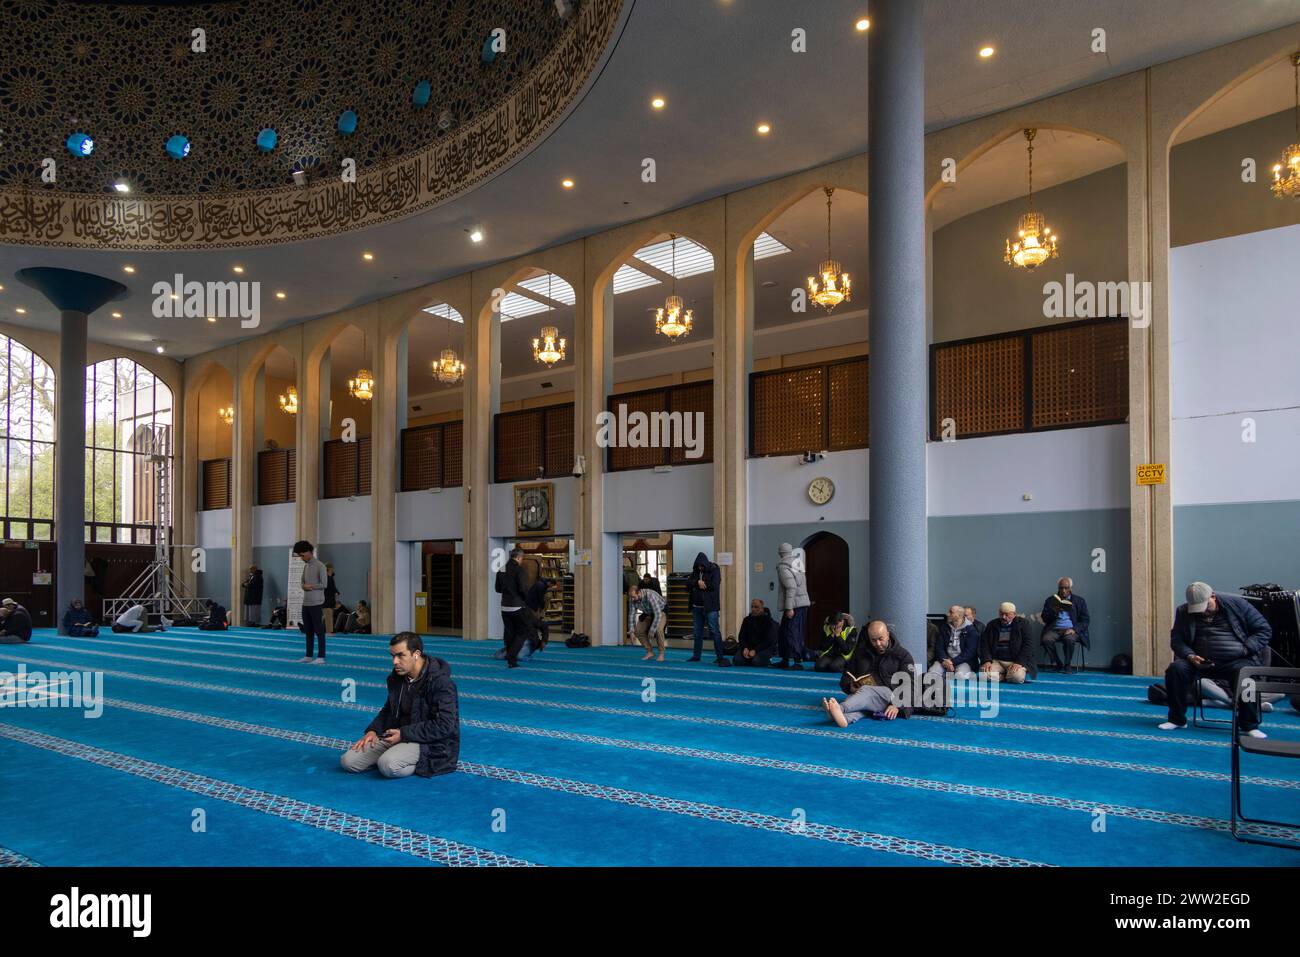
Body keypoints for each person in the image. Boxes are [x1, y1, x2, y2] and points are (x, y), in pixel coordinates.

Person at [1159, 581, 1271, 738]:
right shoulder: (1184, 611)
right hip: (1200, 662)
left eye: (1205, 606)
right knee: (1175, 669)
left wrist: (1246, 648)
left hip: (1235, 661)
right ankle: (1177, 719)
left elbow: (1264, 630)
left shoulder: (1238, 605)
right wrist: (1190, 655)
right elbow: (1177, 640)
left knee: (1246, 675)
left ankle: (1249, 725)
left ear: (1213, 596)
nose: (1202, 611)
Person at [341, 632, 460, 779]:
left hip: (428, 743)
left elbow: (444, 725)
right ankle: (396, 755)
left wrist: (404, 734)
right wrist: (373, 730)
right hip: (397, 735)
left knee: (387, 765)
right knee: (349, 762)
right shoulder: (397, 678)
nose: (395, 662)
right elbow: (389, 709)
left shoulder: (441, 683)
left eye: (400, 655)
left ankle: (418, 761)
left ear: (416, 654)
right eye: (392, 656)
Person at [824, 620, 917, 727]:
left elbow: (910, 686)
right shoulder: (862, 652)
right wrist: (850, 687)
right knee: (861, 701)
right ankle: (844, 719)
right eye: (873, 640)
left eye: (881, 639)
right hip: (868, 697)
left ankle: (840, 708)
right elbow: (846, 674)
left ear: (888, 635)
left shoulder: (903, 656)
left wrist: (896, 705)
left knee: (865, 691)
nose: (877, 644)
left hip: (891, 696)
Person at [1040, 577, 1090, 673]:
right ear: (1058, 588)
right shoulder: (1051, 600)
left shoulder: (1079, 601)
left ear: (1070, 588)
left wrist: (1074, 629)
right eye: (1061, 588)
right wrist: (1055, 611)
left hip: (1071, 629)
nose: (1063, 590)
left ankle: (1067, 665)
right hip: (1055, 629)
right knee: (1046, 639)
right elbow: (1044, 618)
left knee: (1069, 639)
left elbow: (1085, 620)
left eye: (1066, 588)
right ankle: (1058, 663)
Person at [686, 551, 728, 666]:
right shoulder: (695, 572)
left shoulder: (714, 569)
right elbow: (688, 584)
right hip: (696, 607)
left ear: (705, 564)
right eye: (698, 566)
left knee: (714, 631)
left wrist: (702, 583)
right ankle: (696, 656)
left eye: (701, 566)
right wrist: (697, 582)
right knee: (697, 633)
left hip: (711, 607)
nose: (700, 568)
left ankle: (720, 657)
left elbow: (714, 585)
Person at [979, 602, 1037, 683]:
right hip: (997, 660)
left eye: (1006, 614)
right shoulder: (992, 624)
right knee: (984, 676)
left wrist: (1019, 662)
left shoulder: (1024, 624)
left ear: (1014, 614)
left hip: (1015, 660)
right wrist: (987, 660)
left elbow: (1028, 645)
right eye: (1001, 614)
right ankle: (1004, 676)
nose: (1003, 617)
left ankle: (1007, 675)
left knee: (1017, 678)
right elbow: (985, 644)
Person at [775, 542, 811, 669]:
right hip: (802, 604)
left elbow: (791, 587)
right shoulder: (797, 563)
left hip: (794, 605)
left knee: (790, 632)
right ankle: (785, 659)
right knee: (790, 632)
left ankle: (797, 661)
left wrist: (789, 607)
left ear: (780, 553)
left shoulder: (783, 567)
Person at [494, 547, 530, 668]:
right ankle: (512, 656)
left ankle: (510, 658)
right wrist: (526, 601)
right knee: (522, 632)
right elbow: (523, 589)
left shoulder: (501, 569)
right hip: (517, 606)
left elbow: (497, 589)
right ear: (519, 557)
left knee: (509, 633)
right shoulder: (519, 570)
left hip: (504, 606)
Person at [295, 540, 328, 663]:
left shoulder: (320, 566)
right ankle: (308, 655)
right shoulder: (306, 566)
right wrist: (304, 586)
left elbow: (324, 584)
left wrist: (311, 587)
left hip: (317, 603)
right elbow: (302, 582)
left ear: (309, 552)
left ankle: (321, 656)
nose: (301, 558)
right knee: (308, 630)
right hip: (306, 603)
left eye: (302, 555)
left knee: (319, 631)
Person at [930, 604, 980, 679]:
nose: (948, 614)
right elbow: (939, 647)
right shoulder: (944, 628)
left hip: (963, 661)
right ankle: (937, 690)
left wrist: (952, 662)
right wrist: (945, 660)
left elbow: (970, 652)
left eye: (951, 612)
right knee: (932, 674)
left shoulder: (971, 630)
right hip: (945, 660)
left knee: (960, 676)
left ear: (959, 615)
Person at [627, 582, 669, 661]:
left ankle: (661, 653)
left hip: (661, 611)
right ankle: (649, 652)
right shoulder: (632, 598)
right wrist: (631, 632)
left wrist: (651, 631)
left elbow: (657, 614)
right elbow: (631, 614)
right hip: (648, 612)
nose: (632, 599)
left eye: (633, 597)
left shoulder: (650, 596)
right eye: (631, 597)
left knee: (658, 630)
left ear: (638, 593)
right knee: (638, 631)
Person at [734, 598, 778, 667]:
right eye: (752, 607)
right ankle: (750, 658)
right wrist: (745, 648)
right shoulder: (746, 620)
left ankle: (767, 659)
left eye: (756, 607)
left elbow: (769, 641)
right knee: (737, 661)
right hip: (749, 648)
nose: (753, 609)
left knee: (756, 661)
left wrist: (755, 650)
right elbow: (741, 637)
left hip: (763, 648)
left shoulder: (768, 621)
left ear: (762, 608)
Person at [520, 577, 556, 658]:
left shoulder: (540, 584)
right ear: (549, 582)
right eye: (551, 585)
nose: (550, 587)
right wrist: (542, 607)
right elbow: (540, 598)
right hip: (531, 607)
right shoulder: (541, 586)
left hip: (530, 607)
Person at [323, 562, 340, 634]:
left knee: (326, 616)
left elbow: (333, 588)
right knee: (328, 616)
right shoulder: (325, 578)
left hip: (329, 600)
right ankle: (329, 631)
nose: (332, 570)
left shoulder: (330, 577)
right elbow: (328, 589)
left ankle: (314, 628)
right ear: (329, 569)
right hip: (327, 600)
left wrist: (336, 592)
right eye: (331, 568)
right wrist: (335, 592)